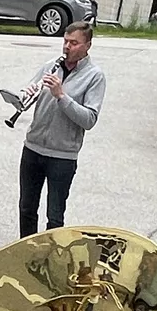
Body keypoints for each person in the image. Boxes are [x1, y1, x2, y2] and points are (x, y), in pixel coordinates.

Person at [16, 23, 105, 237]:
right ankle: (28, 255)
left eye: (74, 43)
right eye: (65, 41)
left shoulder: (94, 76)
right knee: (26, 208)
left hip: (62, 156)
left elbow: (89, 119)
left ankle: (52, 259)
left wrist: (61, 96)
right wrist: (24, 95)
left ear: (87, 46)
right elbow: (26, 94)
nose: (67, 47)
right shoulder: (51, 65)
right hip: (33, 148)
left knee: (54, 216)